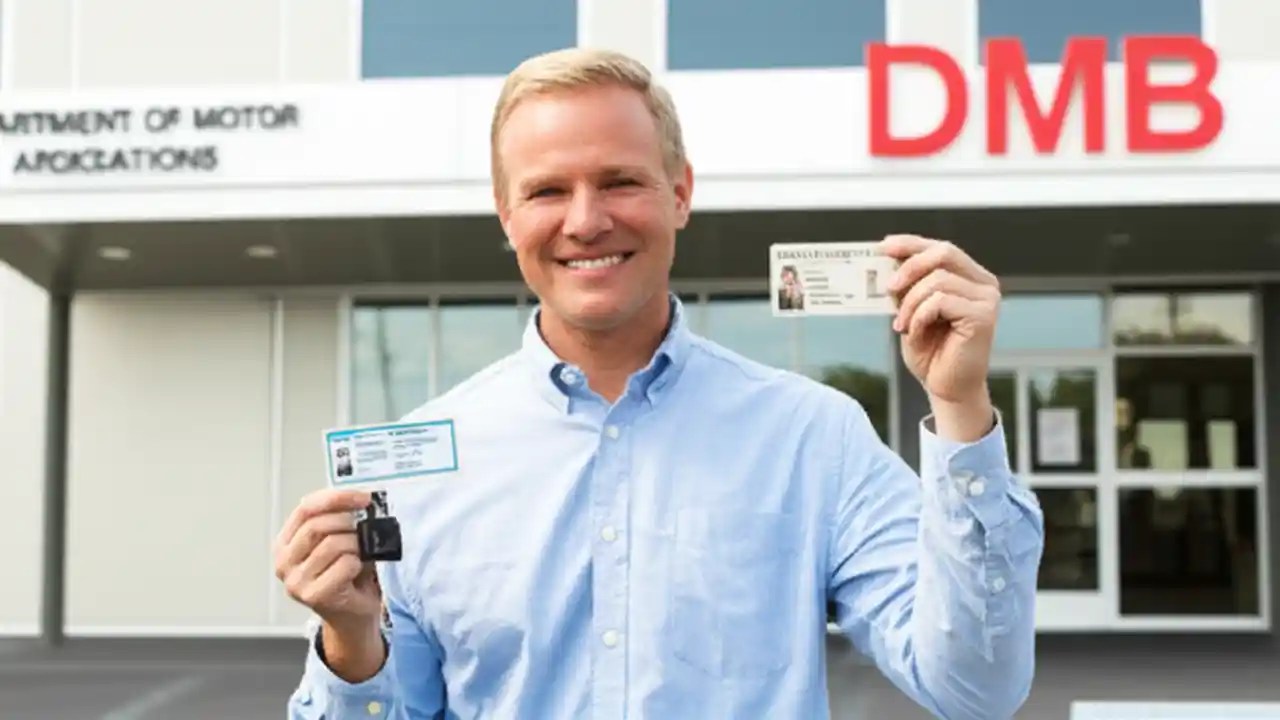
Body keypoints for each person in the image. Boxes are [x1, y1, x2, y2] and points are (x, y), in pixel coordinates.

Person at [275, 47, 1044, 720]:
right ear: (506, 215)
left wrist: (960, 408)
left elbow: (975, 689)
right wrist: (349, 639)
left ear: (680, 194)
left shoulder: (814, 436)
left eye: (620, 182)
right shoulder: (425, 466)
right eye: (547, 191)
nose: (585, 221)